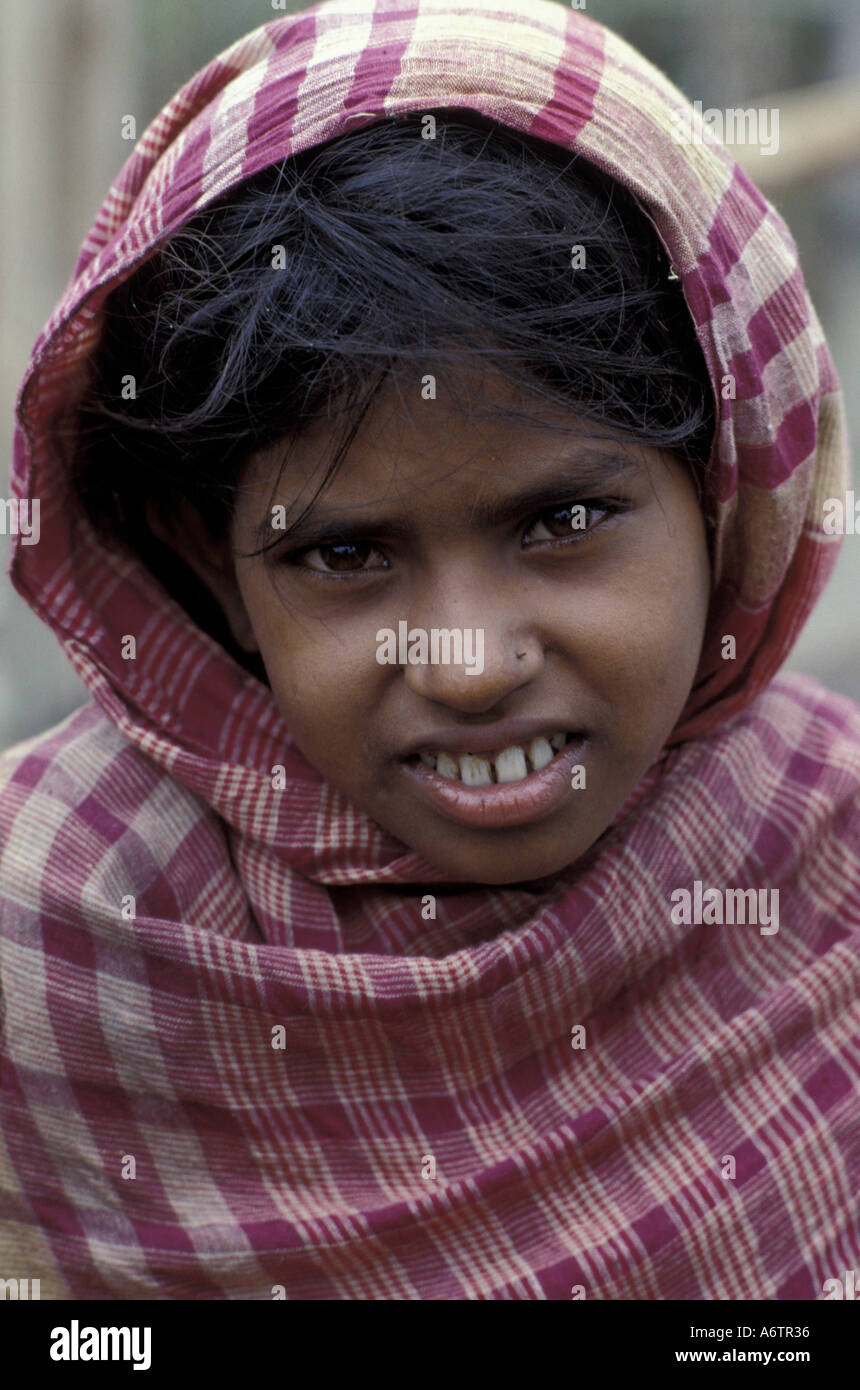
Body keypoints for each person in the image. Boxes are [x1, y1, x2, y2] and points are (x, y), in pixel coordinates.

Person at [1, 0, 857, 1300]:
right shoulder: (63, 928)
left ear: (723, 494)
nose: (465, 664)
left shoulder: (827, 859)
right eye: (344, 555)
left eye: (563, 520)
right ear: (211, 564)